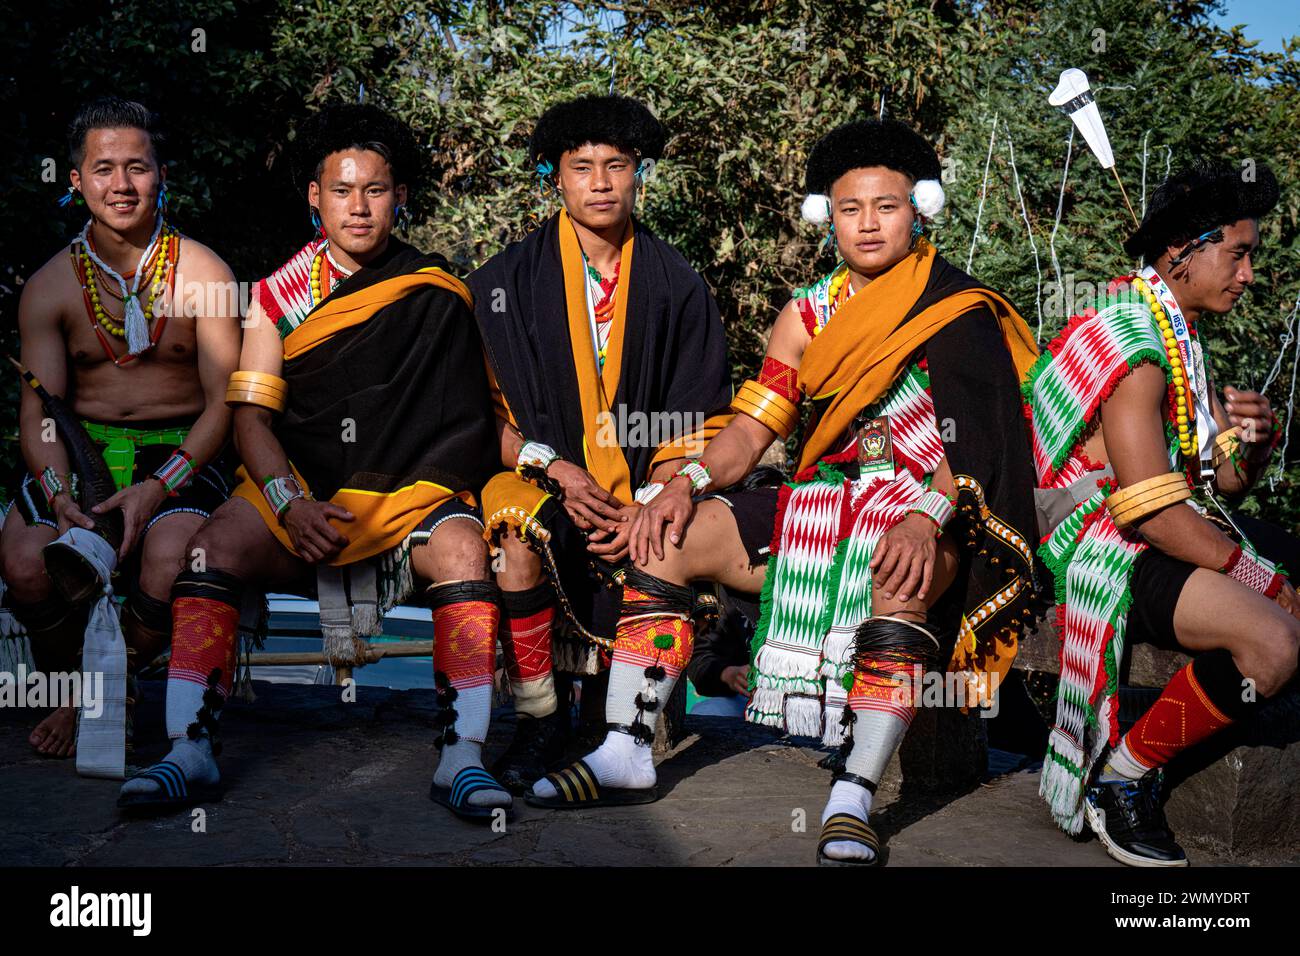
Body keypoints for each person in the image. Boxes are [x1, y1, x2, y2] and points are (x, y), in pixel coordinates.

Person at [527, 119, 1041, 870]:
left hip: (933, 507)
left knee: (897, 575)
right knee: (666, 535)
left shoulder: (957, 309)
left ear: (919, 209)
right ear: (825, 217)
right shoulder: (804, 315)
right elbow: (753, 427)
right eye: (849, 209)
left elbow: (978, 448)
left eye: (886, 207)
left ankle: (854, 793)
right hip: (822, 503)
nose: (867, 224)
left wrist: (926, 519)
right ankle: (626, 750)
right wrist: (687, 482)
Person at [116, 104, 511, 821]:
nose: (358, 208)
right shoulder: (274, 298)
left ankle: (463, 755)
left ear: (400, 197)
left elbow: (468, 419)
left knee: (463, 549)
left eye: (376, 190)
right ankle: (189, 747)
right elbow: (251, 420)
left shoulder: (437, 290)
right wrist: (290, 502)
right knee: (210, 550)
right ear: (314, 196)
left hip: (407, 497)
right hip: (297, 496)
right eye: (342, 190)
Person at [1026, 160, 1298, 866]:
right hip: (1103, 549)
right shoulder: (1137, 345)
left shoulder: (1176, 335)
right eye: (1237, 254)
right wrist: (1256, 577)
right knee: (1272, 642)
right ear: (1184, 251)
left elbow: (1223, 484)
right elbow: (1147, 510)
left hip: (1161, 528)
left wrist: (1256, 442)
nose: (1247, 274)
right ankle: (1122, 775)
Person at [470, 94, 733, 793]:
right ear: (554, 178)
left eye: (616, 165)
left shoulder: (677, 285)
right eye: (581, 167)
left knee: (664, 535)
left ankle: (620, 724)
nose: (600, 182)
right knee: (517, 535)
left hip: (644, 481)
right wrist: (550, 464)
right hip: (534, 470)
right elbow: (474, 416)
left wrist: (651, 495)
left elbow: (698, 414)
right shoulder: (503, 284)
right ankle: (537, 717)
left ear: (637, 174)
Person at [1, 96, 239, 758]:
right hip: (80, 455)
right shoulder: (50, 287)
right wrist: (58, 494)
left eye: (137, 167)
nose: (121, 184)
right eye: (103, 168)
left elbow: (226, 403)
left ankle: (98, 693)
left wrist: (160, 487)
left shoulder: (205, 275)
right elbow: (39, 410)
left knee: (173, 559)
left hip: (182, 452)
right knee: (24, 564)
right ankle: (74, 682)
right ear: (75, 180)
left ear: (161, 174)